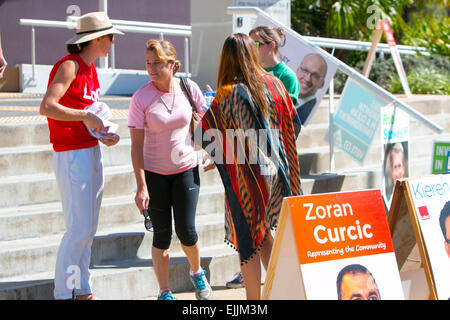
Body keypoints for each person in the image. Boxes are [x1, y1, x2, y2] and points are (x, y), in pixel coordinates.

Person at [199, 33, 302, 300]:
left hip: (246, 179)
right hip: (279, 175)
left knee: (248, 240)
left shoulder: (227, 93)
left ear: (226, 59)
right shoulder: (276, 84)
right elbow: (295, 123)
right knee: (264, 232)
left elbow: (203, 133)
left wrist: (221, 155)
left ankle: (253, 302)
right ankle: (284, 293)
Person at [39, 11, 122, 300]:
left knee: (87, 228)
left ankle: (81, 288)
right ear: (96, 39)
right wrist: (86, 116)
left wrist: (102, 133)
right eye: (110, 37)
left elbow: (86, 114)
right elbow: (47, 106)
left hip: (87, 150)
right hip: (72, 154)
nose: (113, 43)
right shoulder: (70, 66)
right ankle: (64, 292)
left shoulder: (88, 67)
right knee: (79, 228)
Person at [128, 39, 213, 300]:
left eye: (157, 63)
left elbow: (209, 119)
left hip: (186, 168)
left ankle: (197, 272)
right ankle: (164, 292)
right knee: (161, 235)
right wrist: (141, 186)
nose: (151, 69)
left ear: (173, 64)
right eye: (147, 64)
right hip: (154, 175)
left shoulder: (189, 87)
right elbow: (135, 146)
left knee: (187, 230)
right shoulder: (141, 97)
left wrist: (214, 152)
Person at [295, 53, 328, 125]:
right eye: (305, 70)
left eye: (315, 76)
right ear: (297, 70)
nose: (307, 79)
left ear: (321, 84)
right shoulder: (280, 94)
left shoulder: (316, 115)